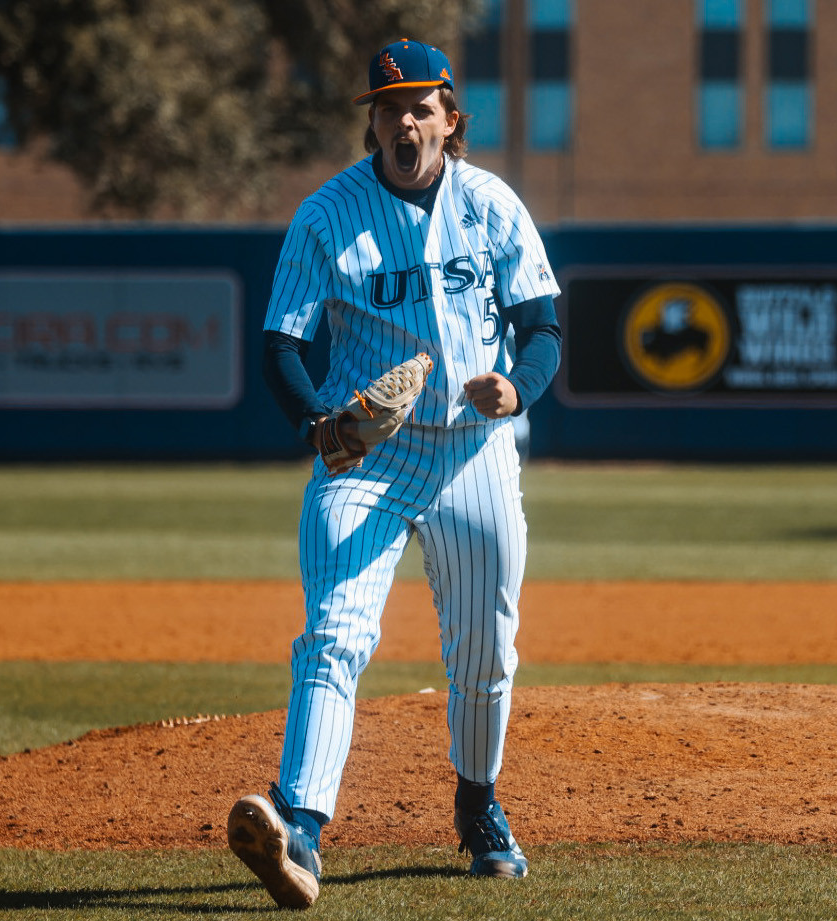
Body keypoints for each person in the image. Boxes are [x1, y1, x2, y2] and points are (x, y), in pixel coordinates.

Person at [226, 36, 562, 910]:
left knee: (485, 651)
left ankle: (478, 798)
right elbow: (282, 343)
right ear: (372, 123)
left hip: (473, 448)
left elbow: (544, 327)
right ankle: (299, 826)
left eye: (420, 106)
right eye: (388, 108)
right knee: (335, 633)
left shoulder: (491, 205)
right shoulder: (327, 215)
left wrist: (515, 388)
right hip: (365, 455)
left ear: (452, 118)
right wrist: (315, 424)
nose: (404, 120)